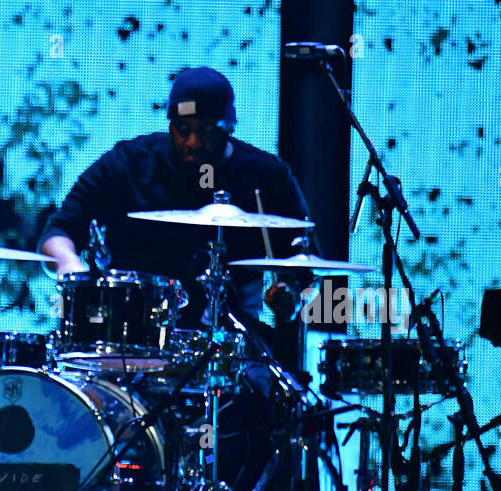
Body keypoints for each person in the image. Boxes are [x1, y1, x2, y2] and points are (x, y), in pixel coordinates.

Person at [39, 66, 314, 366]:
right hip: (130, 345)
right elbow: (59, 232)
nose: (193, 143)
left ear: (229, 128)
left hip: (230, 352)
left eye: (207, 131)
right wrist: (69, 264)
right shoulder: (129, 163)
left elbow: (306, 264)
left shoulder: (268, 178)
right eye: (183, 129)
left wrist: (290, 297)